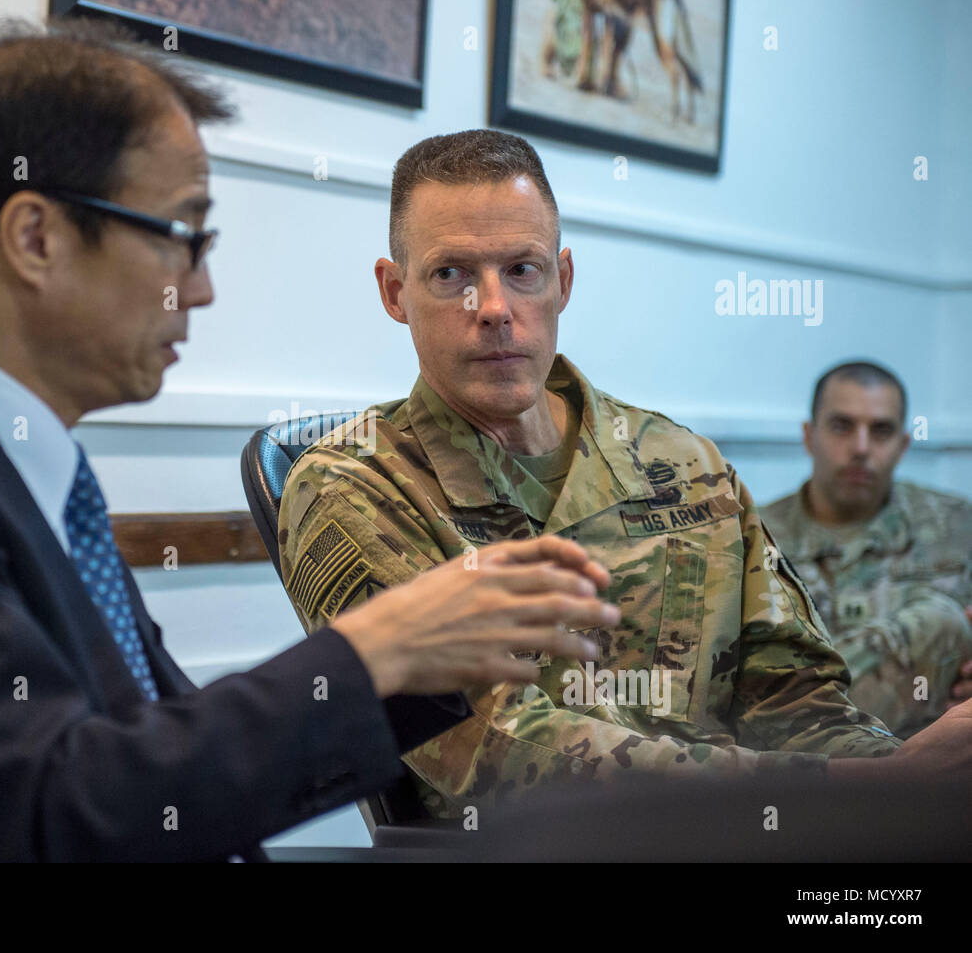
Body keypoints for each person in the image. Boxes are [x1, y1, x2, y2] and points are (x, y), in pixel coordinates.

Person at [0, 20, 620, 862]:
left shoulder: (32, 472)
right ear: (36, 238)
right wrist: (374, 646)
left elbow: (164, 761)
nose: (201, 289)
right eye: (183, 237)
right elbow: (59, 815)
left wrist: (434, 664)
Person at [277, 129, 972, 820]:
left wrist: (902, 778)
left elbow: (797, 698)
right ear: (395, 292)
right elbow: (498, 749)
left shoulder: (686, 464)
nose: (492, 309)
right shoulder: (353, 485)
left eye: (522, 270)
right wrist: (867, 789)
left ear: (563, 280)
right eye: (450, 274)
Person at [762, 362, 972, 737]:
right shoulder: (752, 539)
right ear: (809, 436)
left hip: (935, 765)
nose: (860, 448)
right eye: (842, 427)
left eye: (881, 431)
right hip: (793, 764)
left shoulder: (959, 528)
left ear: (903, 445)